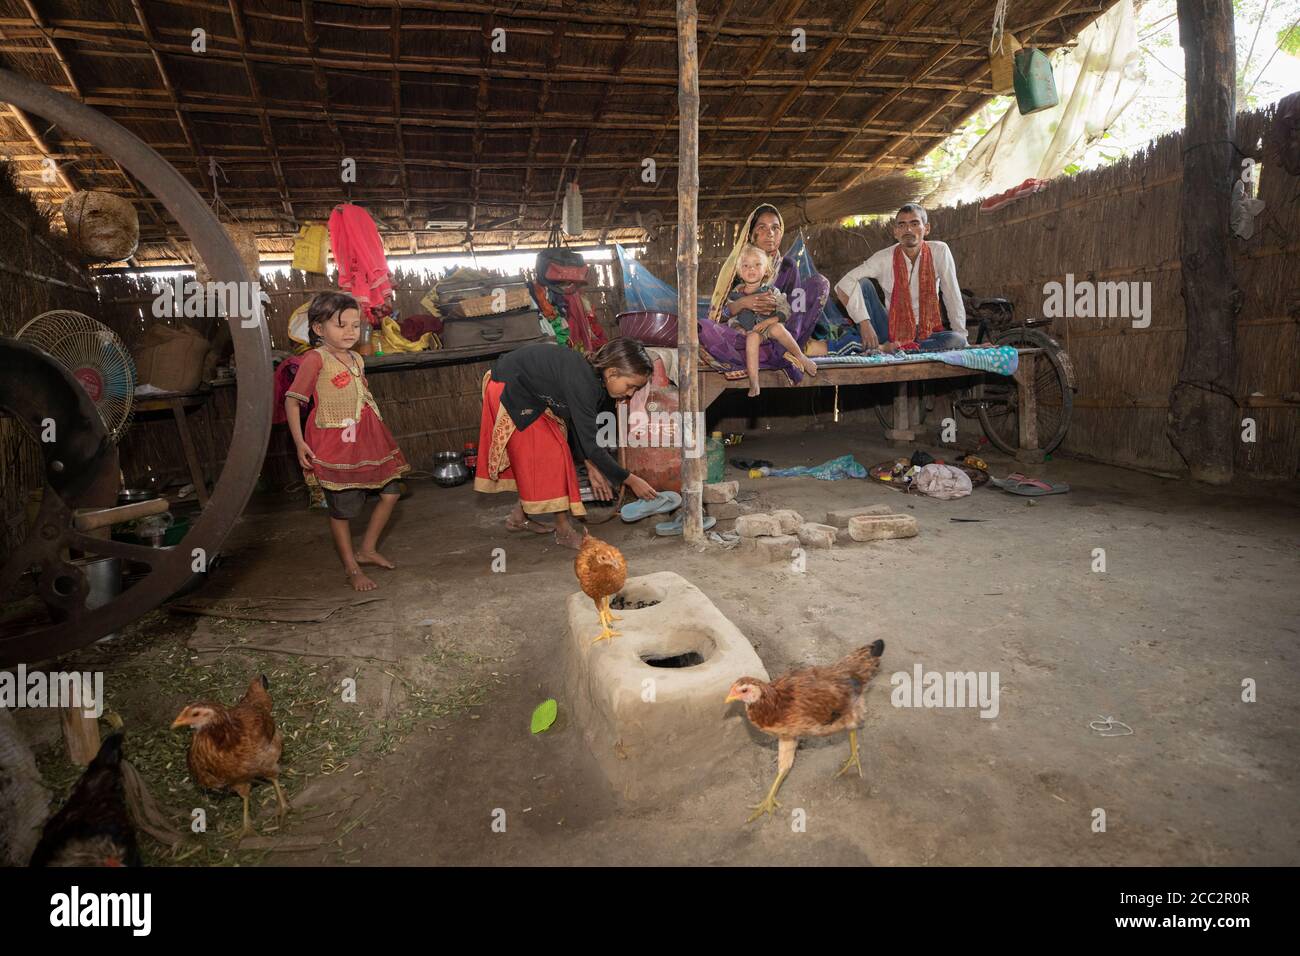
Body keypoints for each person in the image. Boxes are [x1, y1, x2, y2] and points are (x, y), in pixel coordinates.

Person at [474, 340, 659, 550]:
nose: (630, 394)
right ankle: (563, 531)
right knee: (555, 455)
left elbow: (579, 427)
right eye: (630, 386)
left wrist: (591, 466)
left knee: (555, 449)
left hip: (530, 393)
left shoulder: (595, 384)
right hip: (508, 387)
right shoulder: (582, 381)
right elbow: (591, 444)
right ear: (612, 373)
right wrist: (630, 479)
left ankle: (518, 516)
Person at [285, 292, 409, 591]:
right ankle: (352, 568)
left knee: (391, 492)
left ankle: (366, 549)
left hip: (365, 437)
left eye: (355, 325)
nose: (350, 332)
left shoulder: (356, 358)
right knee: (343, 509)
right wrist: (300, 443)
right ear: (318, 329)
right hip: (334, 441)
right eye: (341, 325)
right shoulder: (315, 359)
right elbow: (292, 401)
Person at [699, 203, 829, 383]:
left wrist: (777, 313)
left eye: (776, 228)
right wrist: (743, 303)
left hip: (779, 333)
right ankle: (775, 354)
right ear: (752, 235)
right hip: (745, 336)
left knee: (819, 284)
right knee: (705, 327)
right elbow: (718, 316)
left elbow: (796, 308)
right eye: (763, 227)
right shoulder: (739, 268)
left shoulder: (788, 267)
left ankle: (787, 351)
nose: (770, 233)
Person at [834, 203, 969, 353]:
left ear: (927, 228)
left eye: (914, 223)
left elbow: (952, 295)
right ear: (895, 232)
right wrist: (864, 323)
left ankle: (902, 350)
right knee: (863, 284)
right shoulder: (883, 257)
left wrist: (963, 338)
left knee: (956, 339)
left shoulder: (939, 251)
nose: (908, 230)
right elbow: (843, 285)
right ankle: (896, 347)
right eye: (902, 225)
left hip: (928, 332)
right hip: (891, 330)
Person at [722, 244, 806, 397]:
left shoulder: (771, 291)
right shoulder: (735, 296)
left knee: (778, 328)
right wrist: (736, 327)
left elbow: (786, 309)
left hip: (770, 328)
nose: (751, 269)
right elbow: (730, 317)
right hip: (752, 332)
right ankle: (754, 382)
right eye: (745, 265)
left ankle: (801, 357)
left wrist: (769, 321)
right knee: (752, 338)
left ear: (766, 270)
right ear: (740, 271)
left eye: (757, 265)